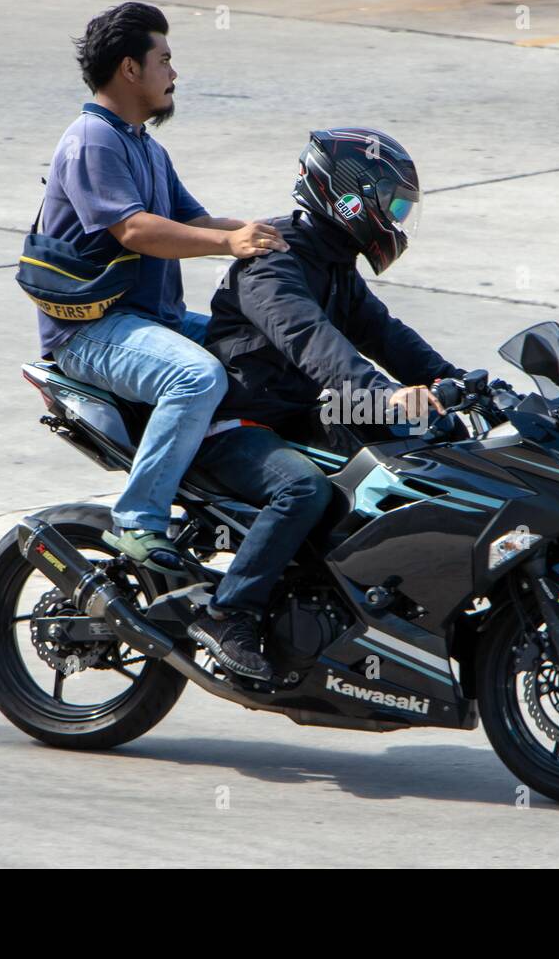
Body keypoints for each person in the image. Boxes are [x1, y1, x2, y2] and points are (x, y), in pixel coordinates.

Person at [187, 128, 465, 679]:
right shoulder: (273, 261)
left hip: (293, 416)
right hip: (236, 423)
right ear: (350, 197)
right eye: (394, 205)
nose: (399, 219)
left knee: (417, 451)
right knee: (302, 488)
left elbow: (385, 334)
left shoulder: (333, 264)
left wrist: (457, 382)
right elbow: (316, 346)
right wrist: (385, 397)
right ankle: (228, 613)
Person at [39, 2, 288, 573]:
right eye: (165, 60)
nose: (174, 74)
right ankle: (140, 520)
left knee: (265, 348)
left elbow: (196, 223)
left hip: (155, 320)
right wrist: (231, 245)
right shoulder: (91, 142)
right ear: (131, 69)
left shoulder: (146, 145)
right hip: (93, 331)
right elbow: (136, 229)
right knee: (196, 375)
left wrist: (276, 234)